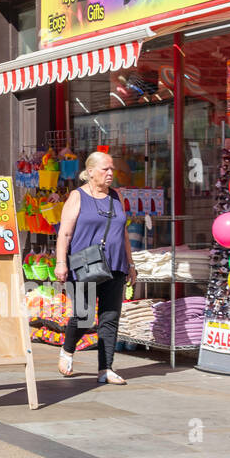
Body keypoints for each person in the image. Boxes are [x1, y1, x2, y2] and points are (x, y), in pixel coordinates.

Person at [54, 150, 136, 385]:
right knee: (84, 315)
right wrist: (61, 263)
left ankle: (106, 368)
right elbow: (65, 233)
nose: (111, 173)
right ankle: (67, 351)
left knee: (110, 317)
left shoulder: (116, 197)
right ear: (90, 172)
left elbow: (123, 233)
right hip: (84, 266)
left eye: (112, 169)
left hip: (116, 265)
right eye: (105, 169)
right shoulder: (77, 197)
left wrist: (130, 264)